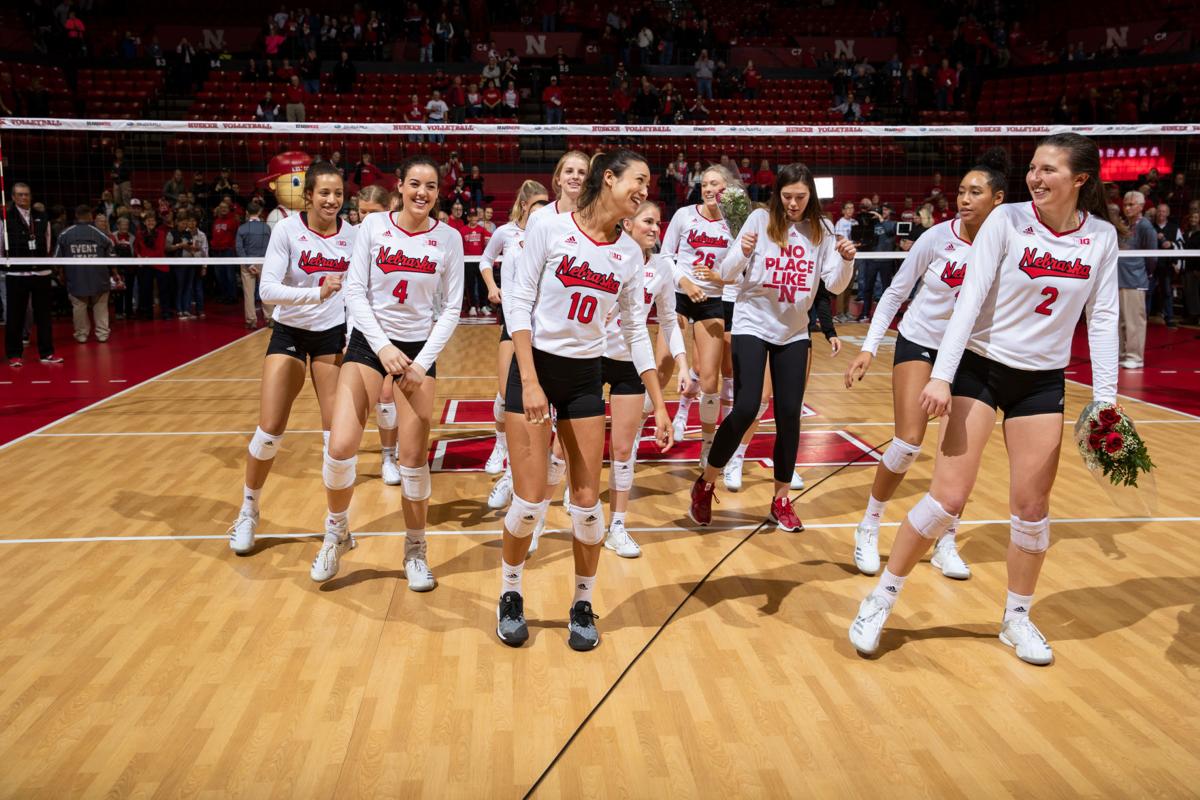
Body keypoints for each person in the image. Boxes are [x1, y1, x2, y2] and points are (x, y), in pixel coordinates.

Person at [848, 133, 1121, 666]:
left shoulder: (1103, 238)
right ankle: (880, 598)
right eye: (1034, 169)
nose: (1036, 178)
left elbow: (1104, 317)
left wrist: (1106, 401)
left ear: (1080, 179)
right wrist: (942, 376)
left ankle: (1016, 619)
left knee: (1032, 509)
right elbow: (969, 300)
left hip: (1042, 381)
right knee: (947, 498)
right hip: (980, 369)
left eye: (1049, 170)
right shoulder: (1008, 219)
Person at [496, 149, 673, 650]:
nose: (644, 190)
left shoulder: (629, 254)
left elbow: (638, 332)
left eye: (648, 183)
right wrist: (528, 380)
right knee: (530, 501)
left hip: (583, 379)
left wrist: (659, 404)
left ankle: (582, 603)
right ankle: (510, 592)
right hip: (536, 370)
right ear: (609, 179)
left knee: (588, 503)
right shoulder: (550, 229)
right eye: (638, 180)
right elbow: (518, 302)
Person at [843, 148, 1011, 579]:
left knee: (956, 456)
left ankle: (946, 539)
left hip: (970, 355)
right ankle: (869, 525)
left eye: (976, 192)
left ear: (999, 199)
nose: (965, 198)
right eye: (961, 191)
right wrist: (868, 348)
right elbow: (896, 294)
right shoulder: (937, 237)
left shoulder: (1009, 246)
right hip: (920, 342)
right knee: (908, 443)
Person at [312, 155, 465, 591]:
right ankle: (336, 531)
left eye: (431, 186)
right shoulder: (373, 229)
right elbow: (355, 291)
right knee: (340, 445)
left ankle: (415, 550)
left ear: (439, 192)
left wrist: (419, 362)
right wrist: (382, 346)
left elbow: (452, 307)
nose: (422, 193)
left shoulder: (449, 239)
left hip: (418, 351)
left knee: (414, 460)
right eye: (415, 183)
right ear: (399, 186)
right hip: (369, 343)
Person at [687, 163, 856, 530]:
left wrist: (846, 262)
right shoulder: (758, 221)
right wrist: (744, 251)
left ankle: (781, 498)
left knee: (789, 416)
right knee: (747, 407)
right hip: (752, 325)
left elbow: (837, 286)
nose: (793, 203)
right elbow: (728, 274)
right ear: (777, 195)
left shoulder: (822, 231)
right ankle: (706, 481)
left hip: (794, 331)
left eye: (800, 197)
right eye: (787, 196)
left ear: (810, 196)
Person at [228, 162, 356, 555]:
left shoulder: (354, 235)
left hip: (331, 336)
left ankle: (338, 524)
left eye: (337, 194)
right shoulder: (286, 231)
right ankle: (248, 512)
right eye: (324, 193)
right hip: (289, 332)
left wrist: (351, 335)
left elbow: (357, 293)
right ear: (308, 196)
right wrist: (316, 294)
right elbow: (267, 290)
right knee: (269, 430)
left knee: (336, 439)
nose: (332, 200)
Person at [601, 200, 688, 557]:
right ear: (627, 224)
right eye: (648, 222)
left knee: (623, 451)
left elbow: (669, 320)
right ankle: (540, 516)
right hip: (591, 358)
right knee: (566, 450)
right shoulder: (606, 255)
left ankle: (617, 526)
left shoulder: (663, 267)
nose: (655, 228)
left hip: (630, 363)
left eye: (658, 222)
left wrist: (683, 364)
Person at [479, 180, 550, 505]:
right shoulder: (506, 233)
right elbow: (484, 260)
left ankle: (515, 475)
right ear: (524, 207)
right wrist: (492, 286)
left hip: (546, 329)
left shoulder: (554, 234)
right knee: (507, 394)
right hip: (514, 321)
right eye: (536, 206)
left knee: (540, 406)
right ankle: (500, 446)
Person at [662, 166, 736, 464]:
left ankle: (708, 445)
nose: (708, 189)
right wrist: (686, 282)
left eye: (714, 184)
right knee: (663, 364)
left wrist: (721, 278)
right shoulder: (684, 215)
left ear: (726, 189)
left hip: (712, 300)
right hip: (680, 294)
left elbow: (741, 270)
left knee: (709, 380)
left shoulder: (735, 224)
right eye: (704, 184)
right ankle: (659, 420)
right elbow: (666, 255)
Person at [4, 183, 60, 366]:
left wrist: (45, 262)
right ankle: (14, 354)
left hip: (41, 272)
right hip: (17, 273)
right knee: (15, 315)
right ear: (13, 197)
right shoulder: (6, 217)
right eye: (19, 195)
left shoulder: (42, 217)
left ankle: (47, 353)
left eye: (26, 194)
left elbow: (48, 241)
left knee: (44, 315)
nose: (23, 198)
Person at [57, 205, 115, 344]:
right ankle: (102, 334)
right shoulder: (100, 233)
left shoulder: (65, 234)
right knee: (100, 306)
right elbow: (111, 254)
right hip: (99, 277)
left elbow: (57, 258)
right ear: (90, 216)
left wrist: (60, 274)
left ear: (76, 216)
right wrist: (114, 272)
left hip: (76, 278)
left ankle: (81, 335)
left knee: (79, 307)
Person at [1118, 190, 1154, 369]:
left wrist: (1145, 274)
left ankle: (1135, 356)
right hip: (1118, 279)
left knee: (1134, 321)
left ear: (1141, 206)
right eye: (1125, 204)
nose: (1127, 207)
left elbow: (1152, 257)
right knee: (1121, 321)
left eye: (1131, 204)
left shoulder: (1145, 226)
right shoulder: (1123, 224)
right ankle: (1123, 353)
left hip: (1135, 280)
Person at [236, 200, 272, 329]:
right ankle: (269, 318)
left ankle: (251, 320)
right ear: (260, 212)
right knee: (266, 291)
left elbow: (239, 248)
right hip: (265, 262)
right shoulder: (266, 227)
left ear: (246, 213)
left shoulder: (242, 228)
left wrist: (249, 263)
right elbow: (271, 247)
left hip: (247, 263)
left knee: (248, 293)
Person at [134, 210, 172, 320]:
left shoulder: (161, 233)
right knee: (146, 289)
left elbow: (160, 250)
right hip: (145, 265)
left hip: (160, 264)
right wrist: (139, 256)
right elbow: (136, 247)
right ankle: (147, 312)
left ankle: (165, 311)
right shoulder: (139, 234)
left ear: (155, 222)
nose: (150, 222)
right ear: (145, 222)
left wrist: (147, 258)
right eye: (148, 221)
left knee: (164, 289)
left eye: (152, 220)